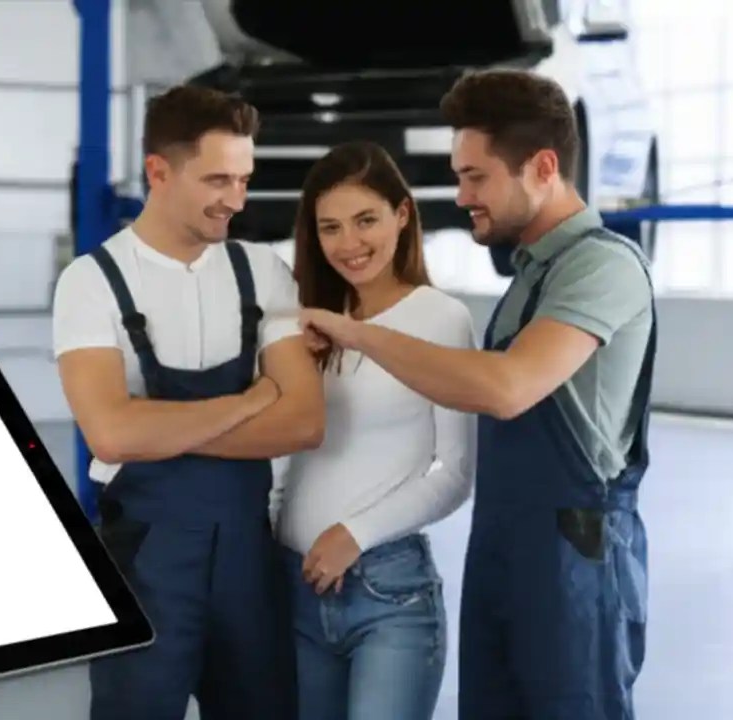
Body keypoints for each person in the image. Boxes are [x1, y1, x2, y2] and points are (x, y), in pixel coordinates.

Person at [298, 69, 657, 720]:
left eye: (476, 176)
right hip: (506, 551)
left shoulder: (602, 266)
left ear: (543, 166)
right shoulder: (531, 273)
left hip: (575, 563)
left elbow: (508, 387)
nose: (462, 195)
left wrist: (361, 334)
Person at [52, 84, 325, 720]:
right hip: (146, 563)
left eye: (244, 178)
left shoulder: (262, 272)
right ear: (158, 171)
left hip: (249, 561)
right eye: (217, 180)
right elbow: (112, 436)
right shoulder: (90, 283)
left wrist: (158, 426)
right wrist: (254, 397)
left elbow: (305, 421)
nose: (237, 199)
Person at [272, 141, 477, 720]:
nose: (349, 244)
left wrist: (354, 534)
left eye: (366, 220)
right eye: (330, 227)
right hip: (294, 587)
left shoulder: (439, 318)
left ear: (403, 215)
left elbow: (455, 473)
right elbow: (285, 451)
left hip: (387, 593)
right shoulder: (303, 320)